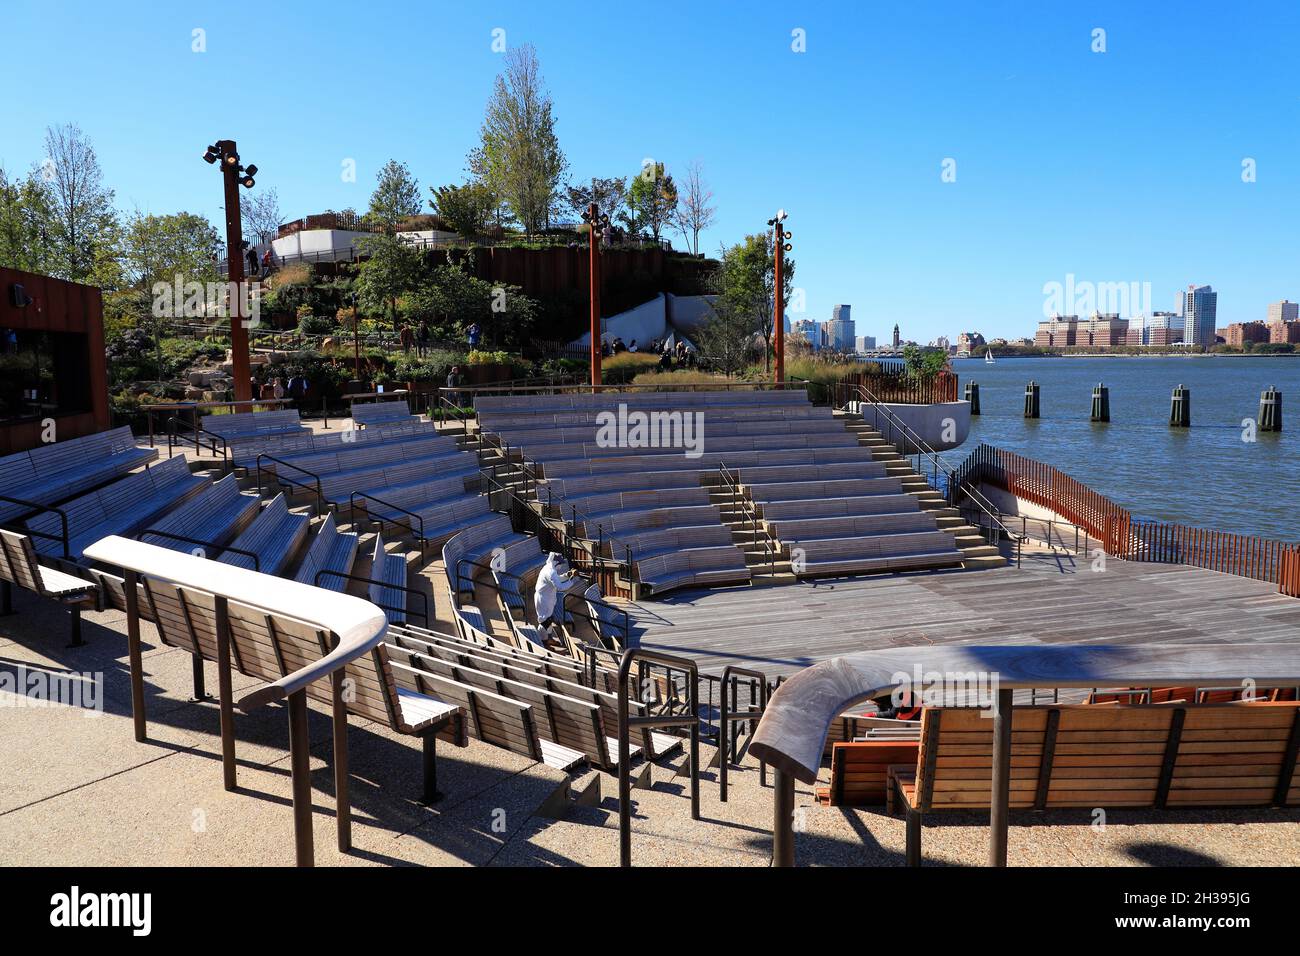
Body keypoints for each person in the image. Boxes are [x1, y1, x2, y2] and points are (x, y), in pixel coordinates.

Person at [532, 552, 583, 650]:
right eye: (559, 563)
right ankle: (543, 643)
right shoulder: (550, 572)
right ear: (555, 562)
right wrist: (572, 580)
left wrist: (567, 575)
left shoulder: (549, 569)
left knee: (549, 618)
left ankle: (549, 639)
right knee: (544, 621)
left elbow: (557, 579)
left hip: (548, 597)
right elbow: (559, 587)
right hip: (543, 599)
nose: (560, 565)